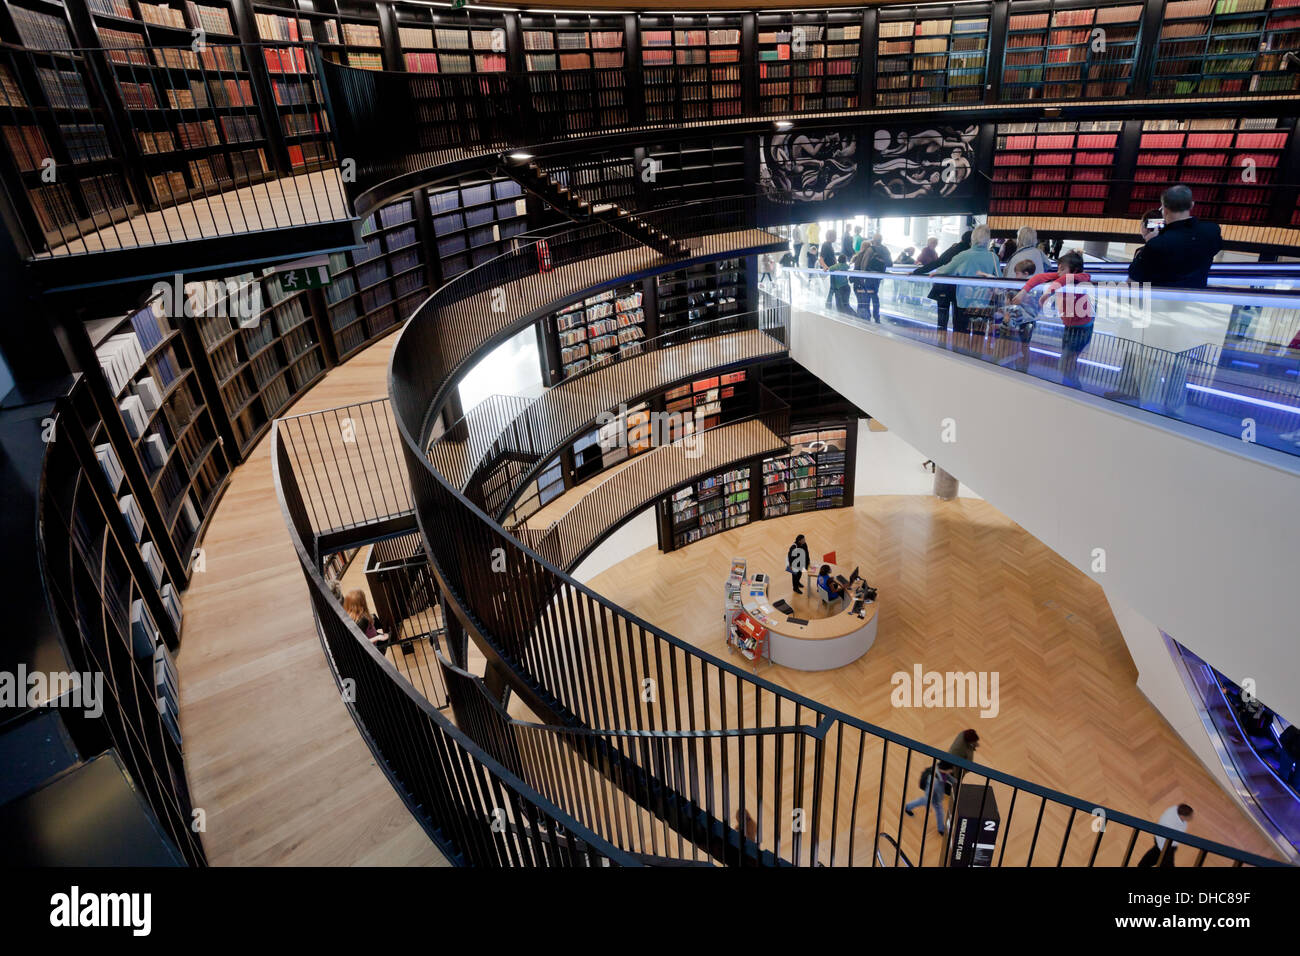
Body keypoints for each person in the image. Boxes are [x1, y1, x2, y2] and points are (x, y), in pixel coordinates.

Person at [1015, 250, 1093, 388]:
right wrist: (1023, 292)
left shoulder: (1082, 277)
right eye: (1058, 268)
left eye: (1062, 268)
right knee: (1068, 362)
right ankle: (1070, 388)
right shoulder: (1062, 277)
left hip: (1081, 329)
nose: (1059, 272)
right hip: (1071, 327)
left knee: (1065, 363)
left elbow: (1065, 279)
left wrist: (1047, 294)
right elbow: (1038, 278)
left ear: (1074, 270)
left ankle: (1074, 389)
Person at [1128, 184, 1223, 289]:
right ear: (1192, 205)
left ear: (1165, 208)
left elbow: (1132, 282)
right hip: (1197, 296)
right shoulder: (1212, 230)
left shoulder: (1157, 244)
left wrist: (1148, 246)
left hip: (1159, 299)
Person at [932, 223, 1001, 335]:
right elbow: (999, 279)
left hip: (964, 302)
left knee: (961, 335)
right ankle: (975, 353)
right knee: (978, 337)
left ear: (973, 238)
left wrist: (933, 273)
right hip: (983, 303)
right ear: (987, 239)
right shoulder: (993, 257)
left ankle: (959, 352)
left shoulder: (963, 255)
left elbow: (945, 269)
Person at [913, 230, 971, 332]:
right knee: (959, 316)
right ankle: (957, 339)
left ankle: (941, 338)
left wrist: (917, 272)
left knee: (943, 315)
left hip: (944, 285)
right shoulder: (968, 251)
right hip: (960, 287)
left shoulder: (953, 249)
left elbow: (938, 263)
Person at [905, 763, 956, 834]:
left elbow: (950, 778)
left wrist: (958, 783)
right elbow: (928, 794)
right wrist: (929, 806)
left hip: (937, 795)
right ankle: (941, 829)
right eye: (950, 770)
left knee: (936, 809)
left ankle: (941, 828)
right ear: (945, 770)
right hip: (931, 797)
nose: (951, 771)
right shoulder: (934, 780)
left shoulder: (942, 772)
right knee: (935, 808)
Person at [857, 235, 892, 323]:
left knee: (867, 295)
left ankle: (867, 316)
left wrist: (862, 276)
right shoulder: (885, 249)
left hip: (870, 276)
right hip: (879, 276)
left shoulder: (870, 249)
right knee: (875, 295)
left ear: (874, 240)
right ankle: (877, 317)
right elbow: (890, 263)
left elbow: (864, 263)